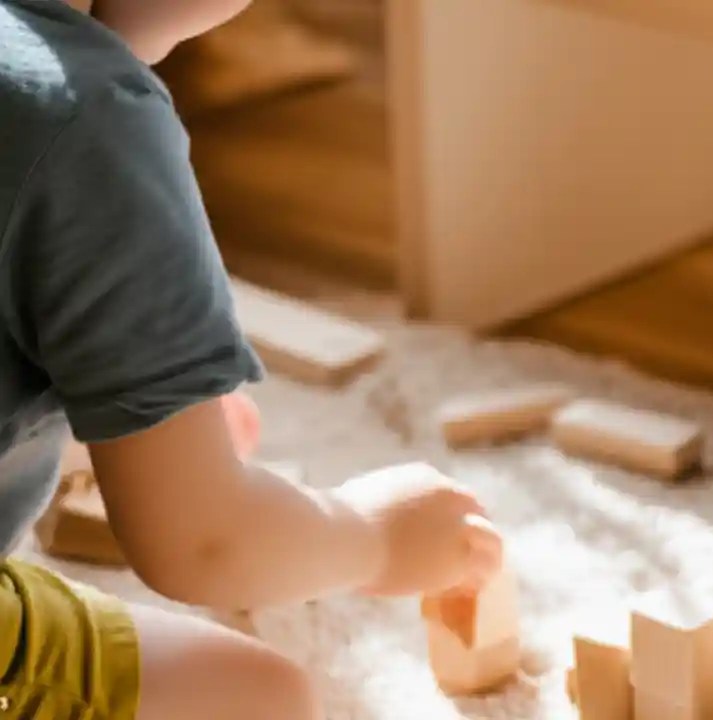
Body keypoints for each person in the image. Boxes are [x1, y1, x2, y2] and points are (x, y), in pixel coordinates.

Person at [0, 1, 505, 718]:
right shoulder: (89, 118)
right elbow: (204, 543)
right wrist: (373, 536)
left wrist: (147, 438)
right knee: (259, 697)